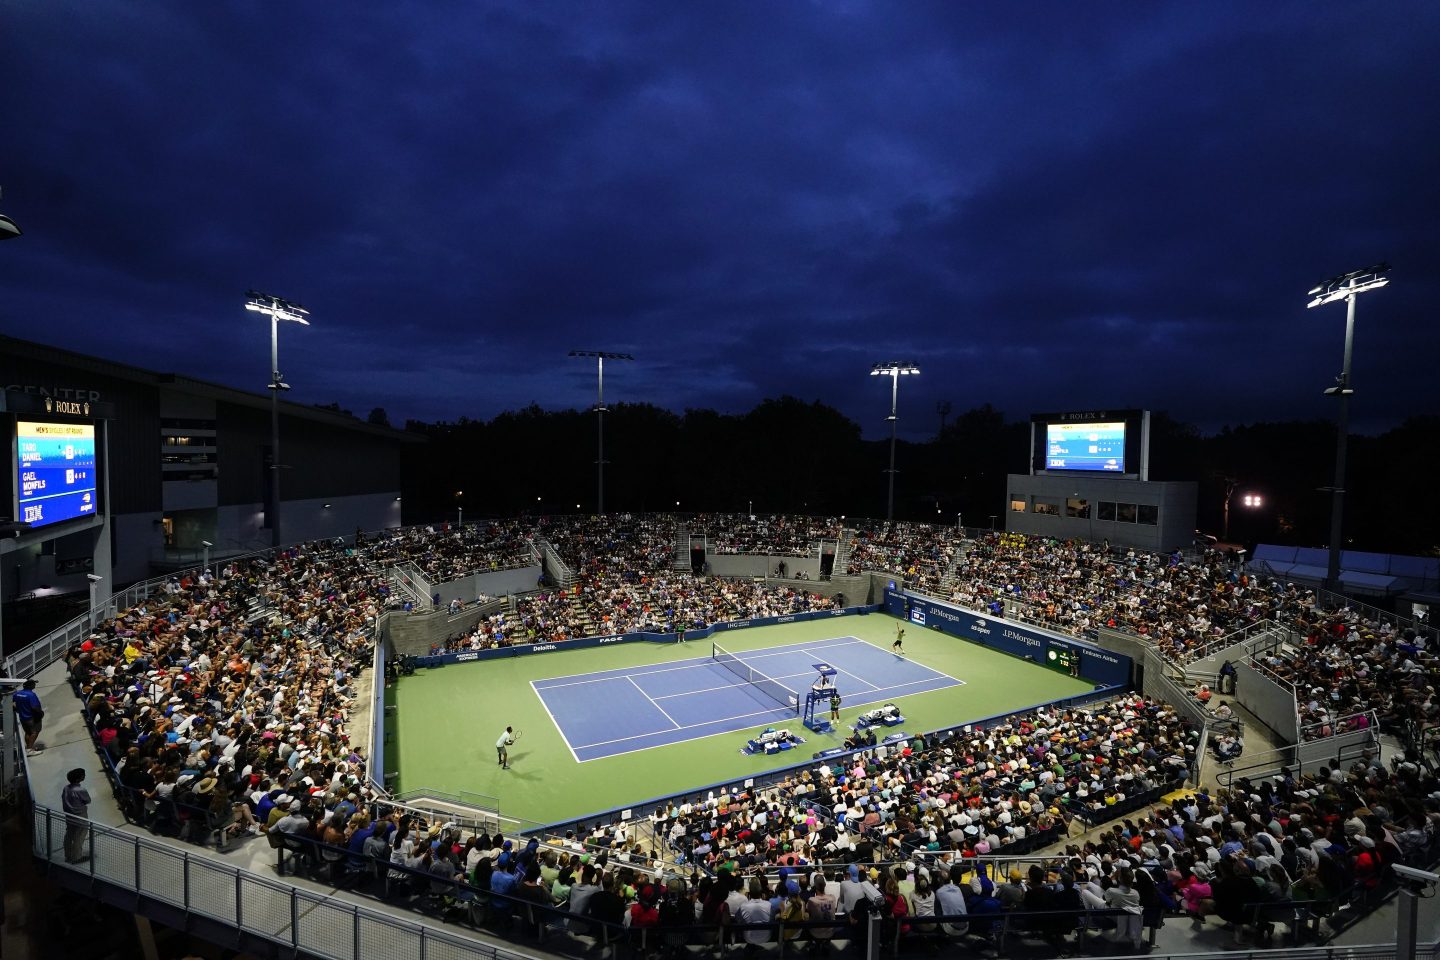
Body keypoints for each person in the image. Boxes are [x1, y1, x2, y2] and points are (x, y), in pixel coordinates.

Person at [62, 767, 92, 863]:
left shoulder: (66, 788)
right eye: (83, 775)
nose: (84, 776)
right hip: (80, 816)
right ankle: (77, 857)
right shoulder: (80, 790)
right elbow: (88, 800)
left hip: (69, 815)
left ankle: (68, 855)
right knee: (79, 836)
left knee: (69, 834)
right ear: (78, 778)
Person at [12, 678, 44, 755]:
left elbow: (12, 703)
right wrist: (41, 714)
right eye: (33, 683)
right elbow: (35, 707)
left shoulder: (17, 693)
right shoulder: (31, 695)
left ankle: (29, 748)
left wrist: (18, 709)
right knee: (35, 732)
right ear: (30, 686)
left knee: (28, 732)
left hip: (23, 717)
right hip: (32, 718)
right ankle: (29, 750)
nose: (34, 684)